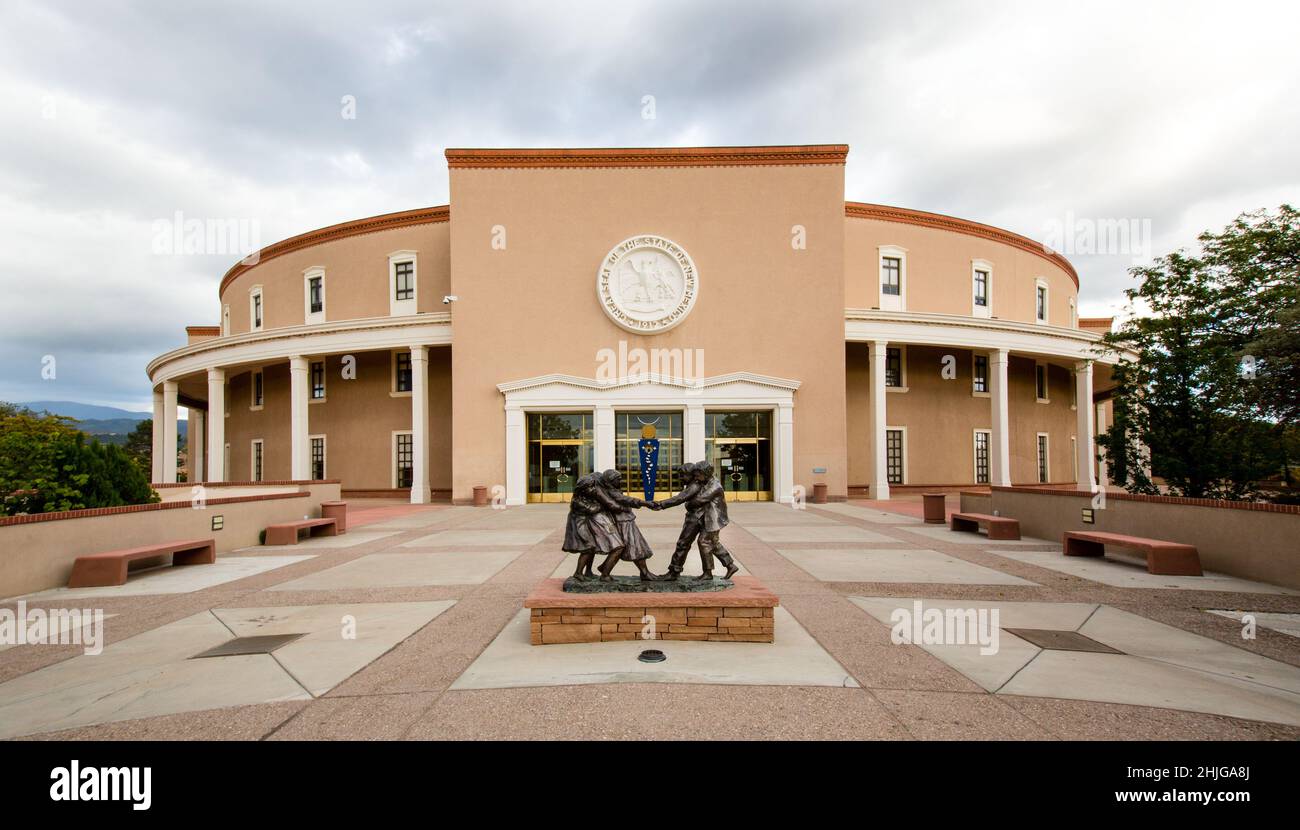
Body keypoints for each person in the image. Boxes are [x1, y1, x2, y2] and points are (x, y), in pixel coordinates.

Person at [590, 468, 659, 581]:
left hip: (625, 520)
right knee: (635, 546)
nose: (620, 481)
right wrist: (645, 503)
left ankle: (605, 569)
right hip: (623, 522)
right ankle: (643, 573)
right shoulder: (611, 492)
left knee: (631, 547)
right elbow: (626, 499)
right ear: (610, 481)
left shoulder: (612, 490)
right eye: (618, 479)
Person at [647, 462, 706, 581]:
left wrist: (661, 504)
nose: (680, 478)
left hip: (696, 518)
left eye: (683, 475)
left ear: (691, 475)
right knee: (703, 544)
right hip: (695, 516)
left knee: (683, 544)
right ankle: (729, 564)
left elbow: (679, 498)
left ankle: (674, 571)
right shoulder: (693, 485)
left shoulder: (694, 486)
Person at [561, 473, 622, 580]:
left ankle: (588, 571)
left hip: (585, 524)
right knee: (588, 547)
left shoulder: (587, 497)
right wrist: (605, 503)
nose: (593, 489)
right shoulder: (577, 501)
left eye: (593, 486)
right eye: (590, 487)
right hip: (579, 526)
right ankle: (578, 572)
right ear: (582, 489)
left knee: (592, 548)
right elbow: (593, 509)